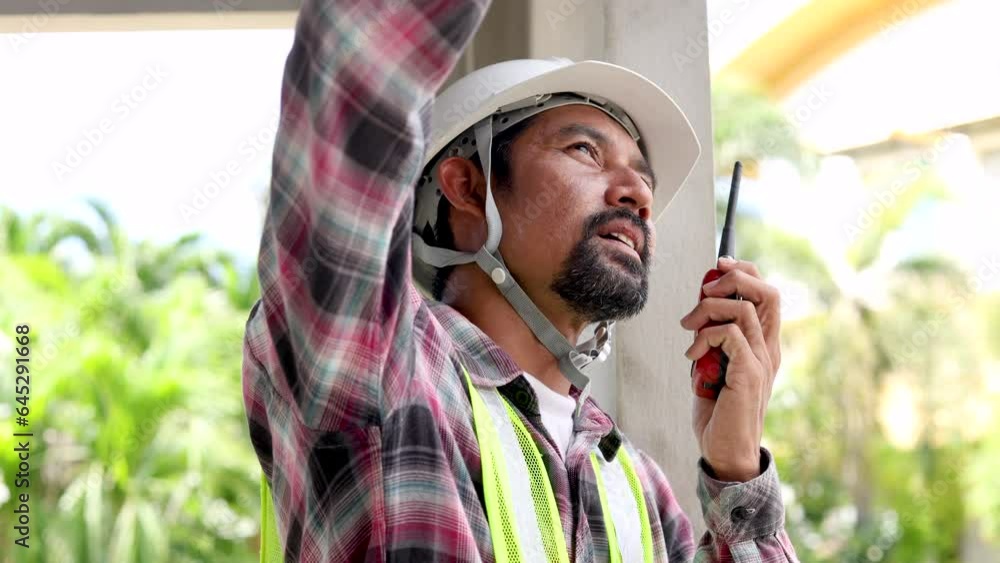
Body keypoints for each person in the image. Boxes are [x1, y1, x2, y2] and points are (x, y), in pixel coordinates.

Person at [242, 0, 798, 561]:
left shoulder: (635, 485)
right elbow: (354, 86)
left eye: (643, 177)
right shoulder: (380, 364)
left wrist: (736, 467)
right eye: (585, 150)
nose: (637, 194)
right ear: (466, 185)